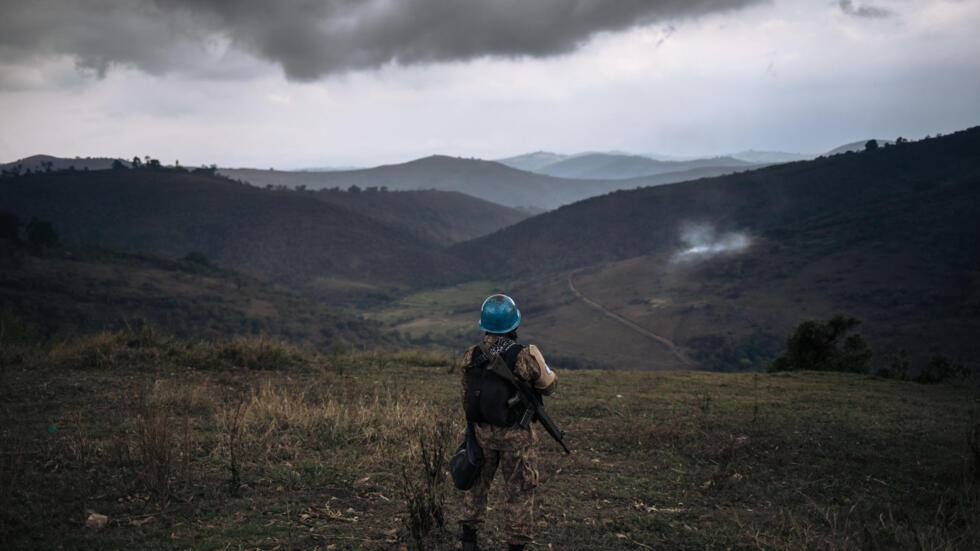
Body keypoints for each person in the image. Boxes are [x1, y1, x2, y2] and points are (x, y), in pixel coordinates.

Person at [458, 294, 558, 551]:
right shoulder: (524, 356)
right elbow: (549, 386)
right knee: (519, 491)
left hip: (481, 435)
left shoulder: (471, 355)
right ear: (515, 324)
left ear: (484, 325)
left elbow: (466, 396)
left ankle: (469, 540)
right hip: (516, 438)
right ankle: (516, 545)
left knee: (476, 487)